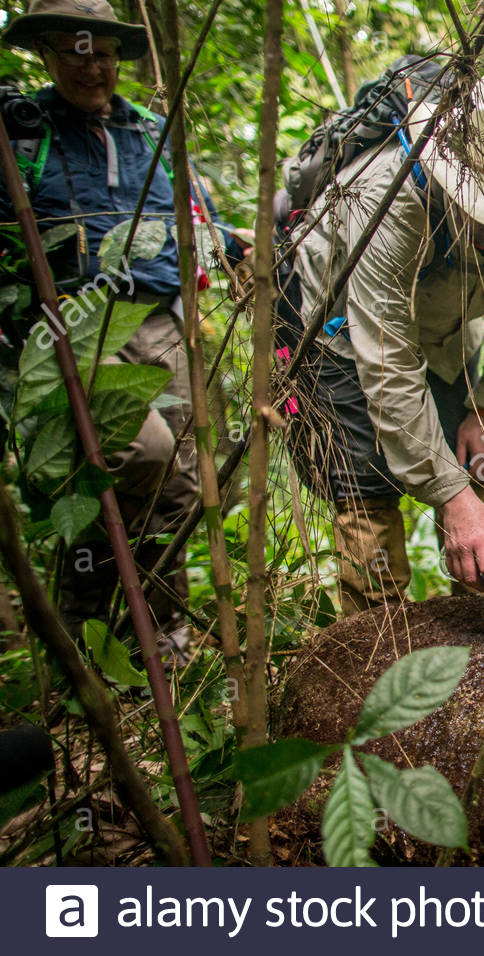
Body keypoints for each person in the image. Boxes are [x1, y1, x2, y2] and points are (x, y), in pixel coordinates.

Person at [281, 65, 484, 612]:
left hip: (448, 337)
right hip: (336, 331)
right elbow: (384, 355)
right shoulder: (392, 198)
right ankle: (377, 652)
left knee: (474, 473)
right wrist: (446, 496)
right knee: (370, 490)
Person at [0, 0, 247, 657]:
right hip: (74, 325)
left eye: (104, 53)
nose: (93, 67)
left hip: (159, 317)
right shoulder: (23, 134)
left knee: (187, 482)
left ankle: (158, 629)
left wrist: (235, 243)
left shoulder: (149, 133)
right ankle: (81, 620)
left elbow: (191, 219)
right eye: (76, 52)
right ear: (47, 56)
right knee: (140, 453)